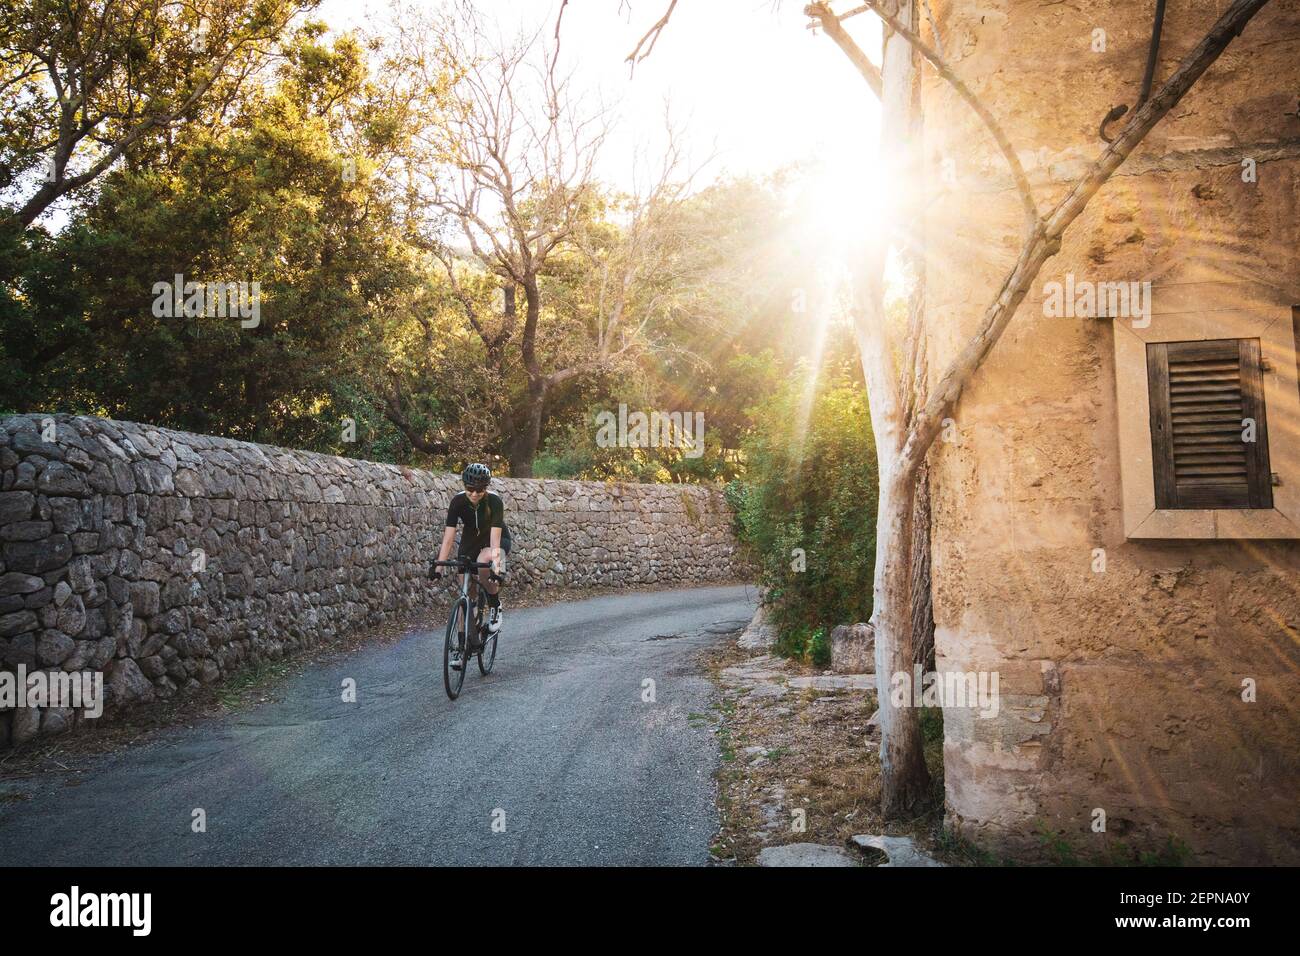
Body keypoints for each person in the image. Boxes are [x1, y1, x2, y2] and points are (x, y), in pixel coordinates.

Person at [431, 464, 510, 654]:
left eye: (480, 490)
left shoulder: (494, 502)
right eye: (470, 489)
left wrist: (497, 568)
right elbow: (449, 538)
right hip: (470, 541)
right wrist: (438, 567)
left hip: (495, 541)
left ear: (486, 488)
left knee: (484, 560)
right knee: (465, 594)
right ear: (464, 486)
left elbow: (495, 538)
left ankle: (494, 605)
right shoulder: (457, 502)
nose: (474, 494)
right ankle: (462, 645)